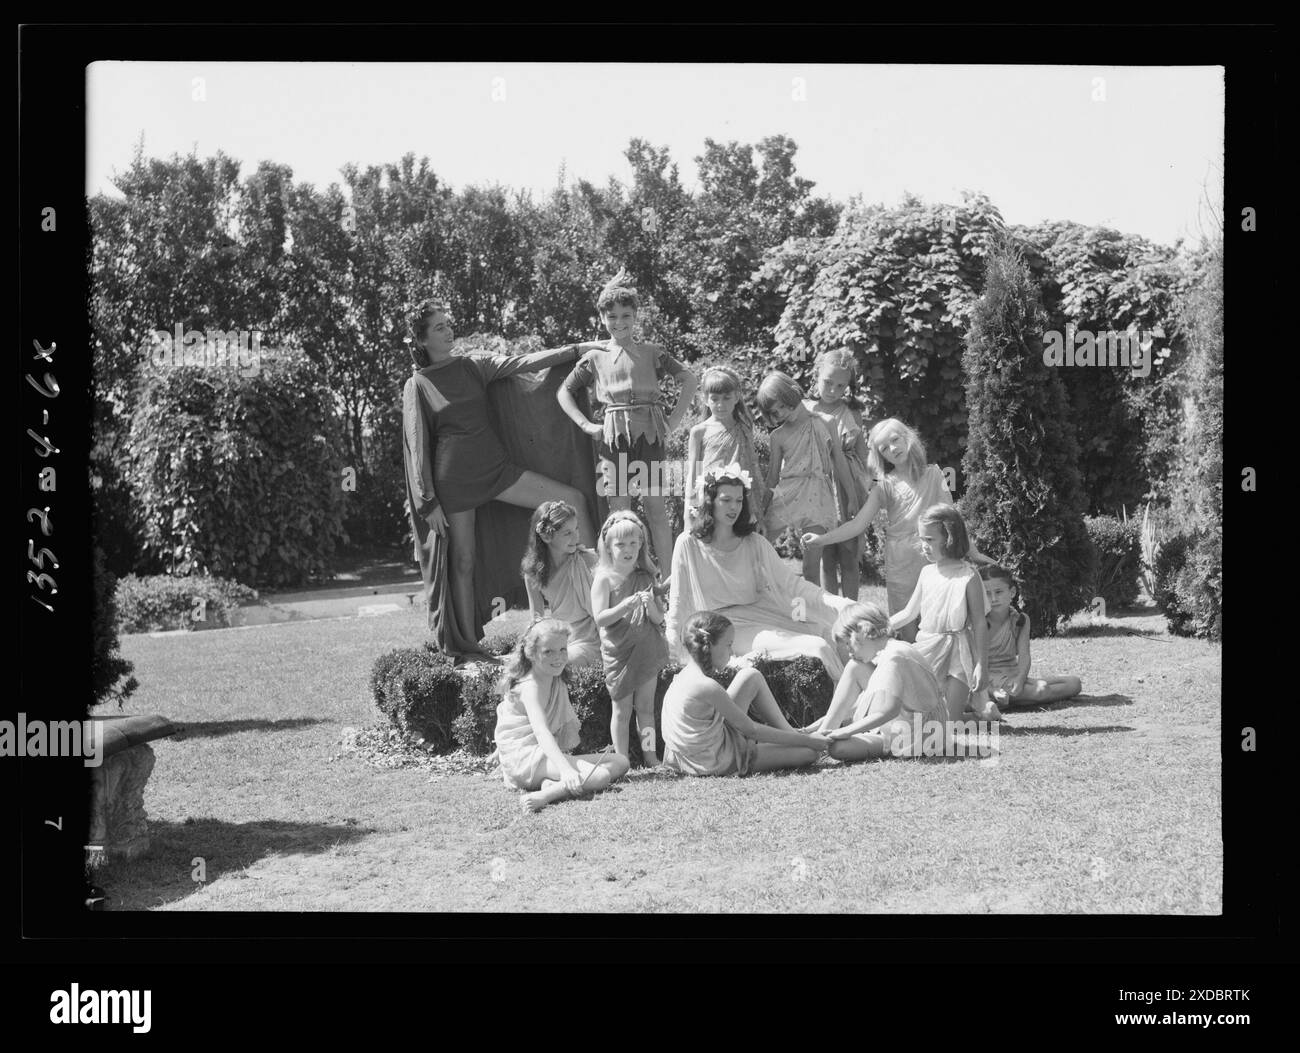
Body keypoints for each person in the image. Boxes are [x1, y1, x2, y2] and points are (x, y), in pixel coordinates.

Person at [402, 300, 604, 657]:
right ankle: (465, 646)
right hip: (454, 482)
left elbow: (525, 362)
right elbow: (417, 445)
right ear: (421, 340)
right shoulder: (418, 383)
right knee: (463, 561)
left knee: (573, 501)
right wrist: (427, 501)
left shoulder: (473, 365)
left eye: (449, 324)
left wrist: (576, 350)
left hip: (497, 469)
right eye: (438, 328)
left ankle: (599, 605)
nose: (449, 331)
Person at [557, 268, 698, 572]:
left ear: (636, 316)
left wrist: (672, 422)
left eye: (625, 316)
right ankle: (622, 578)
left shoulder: (652, 352)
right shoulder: (595, 357)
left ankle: (671, 582)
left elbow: (689, 379)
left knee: (656, 509)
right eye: (612, 317)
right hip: (613, 437)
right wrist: (586, 425)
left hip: (650, 434)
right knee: (620, 514)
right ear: (602, 319)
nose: (619, 323)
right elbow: (564, 392)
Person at [802, 417, 991, 638]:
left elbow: (953, 519)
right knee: (906, 625)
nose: (892, 448)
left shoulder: (936, 474)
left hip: (936, 558)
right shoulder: (884, 485)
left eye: (894, 440)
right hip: (901, 564)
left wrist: (974, 552)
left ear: (907, 437)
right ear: (880, 455)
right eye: (883, 448)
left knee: (940, 623)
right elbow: (857, 524)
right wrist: (821, 539)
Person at [666, 467, 855, 682]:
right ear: (710, 500)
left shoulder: (754, 542)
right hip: (726, 628)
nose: (734, 507)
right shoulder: (688, 543)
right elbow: (678, 601)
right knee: (817, 647)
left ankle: (860, 697)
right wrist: (671, 646)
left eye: (738, 501)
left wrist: (841, 604)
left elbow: (793, 585)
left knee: (828, 632)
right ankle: (848, 711)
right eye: (726, 500)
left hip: (763, 612)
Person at [661, 611, 831, 776]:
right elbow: (752, 730)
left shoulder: (681, 678)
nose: (732, 652)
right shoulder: (707, 686)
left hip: (703, 750)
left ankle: (792, 734)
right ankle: (796, 738)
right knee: (809, 752)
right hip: (715, 761)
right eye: (728, 645)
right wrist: (810, 741)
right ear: (709, 644)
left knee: (750, 676)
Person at [493, 619, 629, 813]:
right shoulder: (530, 687)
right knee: (600, 777)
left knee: (620, 762)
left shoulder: (554, 678)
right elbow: (541, 731)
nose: (558, 657)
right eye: (548, 651)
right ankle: (544, 796)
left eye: (563, 649)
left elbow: (511, 716)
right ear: (531, 653)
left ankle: (550, 784)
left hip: (543, 754)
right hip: (526, 759)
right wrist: (566, 769)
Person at [889, 505, 1001, 721]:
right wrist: (880, 626)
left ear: (949, 538)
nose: (924, 546)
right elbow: (909, 613)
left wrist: (981, 665)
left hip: (958, 654)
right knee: (916, 718)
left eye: (930, 540)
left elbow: (979, 623)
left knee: (948, 723)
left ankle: (982, 715)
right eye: (922, 539)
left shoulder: (968, 576)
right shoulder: (927, 572)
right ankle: (978, 711)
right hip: (927, 648)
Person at [804, 603, 949, 761]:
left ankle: (820, 742)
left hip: (921, 734)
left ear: (864, 632)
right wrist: (819, 724)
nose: (849, 651)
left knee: (839, 748)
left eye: (848, 643)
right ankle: (820, 737)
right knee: (854, 667)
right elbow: (858, 703)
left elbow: (888, 711)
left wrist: (846, 732)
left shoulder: (895, 657)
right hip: (905, 722)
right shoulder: (888, 652)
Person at [757, 371, 860, 588]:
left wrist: (851, 497)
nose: (781, 414)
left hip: (818, 496)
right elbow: (773, 476)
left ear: (793, 394)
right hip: (788, 493)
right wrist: (760, 511)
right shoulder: (778, 435)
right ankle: (759, 595)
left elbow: (839, 462)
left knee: (811, 567)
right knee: (758, 546)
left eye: (783, 407)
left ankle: (812, 613)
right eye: (774, 413)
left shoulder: (827, 422)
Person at [591, 511, 670, 764]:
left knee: (646, 709)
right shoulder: (603, 579)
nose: (628, 550)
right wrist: (624, 607)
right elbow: (600, 618)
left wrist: (650, 607)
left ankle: (650, 756)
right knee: (622, 710)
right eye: (621, 544)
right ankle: (621, 760)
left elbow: (659, 620)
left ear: (641, 545)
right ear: (608, 547)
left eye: (634, 543)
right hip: (618, 652)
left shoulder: (646, 577)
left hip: (647, 650)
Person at [804, 349, 873, 598]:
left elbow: (863, 452)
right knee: (826, 555)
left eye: (840, 386)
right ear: (816, 376)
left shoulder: (851, 412)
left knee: (849, 553)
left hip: (848, 487)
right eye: (828, 382)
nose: (833, 390)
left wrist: (871, 484)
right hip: (817, 487)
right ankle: (832, 611)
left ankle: (852, 611)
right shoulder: (804, 409)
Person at [981, 565, 1083, 706]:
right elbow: (973, 664)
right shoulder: (979, 622)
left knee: (1074, 683)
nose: (993, 598)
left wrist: (1020, 679)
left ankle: (1012, 699)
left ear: (1012, 592)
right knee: (1041, 690)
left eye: (998, 592)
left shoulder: (1021, 620)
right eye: (987, 593)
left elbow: (1024, 655)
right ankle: (997, 697)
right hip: (986, 679)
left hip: (1012, 674)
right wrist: (992, 690)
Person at [684, 365, 767, 530]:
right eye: (715, 399)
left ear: (736, 397)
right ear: (705, 399)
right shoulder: (699, 431)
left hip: (738, 500)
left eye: (726, 398)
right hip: (709, 498)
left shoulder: (744, 427)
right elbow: (693, 472)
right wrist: (689, 510)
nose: (720, 404)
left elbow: (751, 466)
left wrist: (757, 511)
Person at [520, 501, 601, 669]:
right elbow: (537, 618)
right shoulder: (532, 572)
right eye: (567, 533)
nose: (576, 537)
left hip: (591, 638)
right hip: (561, 638)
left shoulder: (587, 561)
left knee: (562, 663)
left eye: (576, 529)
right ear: (546, 536)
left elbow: (603, 608)